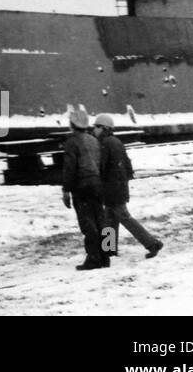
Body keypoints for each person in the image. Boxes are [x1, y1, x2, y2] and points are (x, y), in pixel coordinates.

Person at [94, 114, 163, 259]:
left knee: (124, 217)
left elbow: (102, 167)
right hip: (118, 186)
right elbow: (127, 165)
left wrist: (97, 183)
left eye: (96, 127)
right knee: (109, 219)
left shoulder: (105, 143)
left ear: (104, 128)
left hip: (111, 188)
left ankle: (152, 243)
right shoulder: (116, 142)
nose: (94, 130)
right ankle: (108, 249)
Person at [61, 108, 109, 270]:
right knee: (101, 220)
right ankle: (105, 257)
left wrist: (66, 190)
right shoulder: (94, 140)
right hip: (97, 184)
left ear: (72, 124)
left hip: (81, 187)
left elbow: (70, 168)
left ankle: (93, 258)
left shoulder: (71, 142)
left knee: (88, 224)